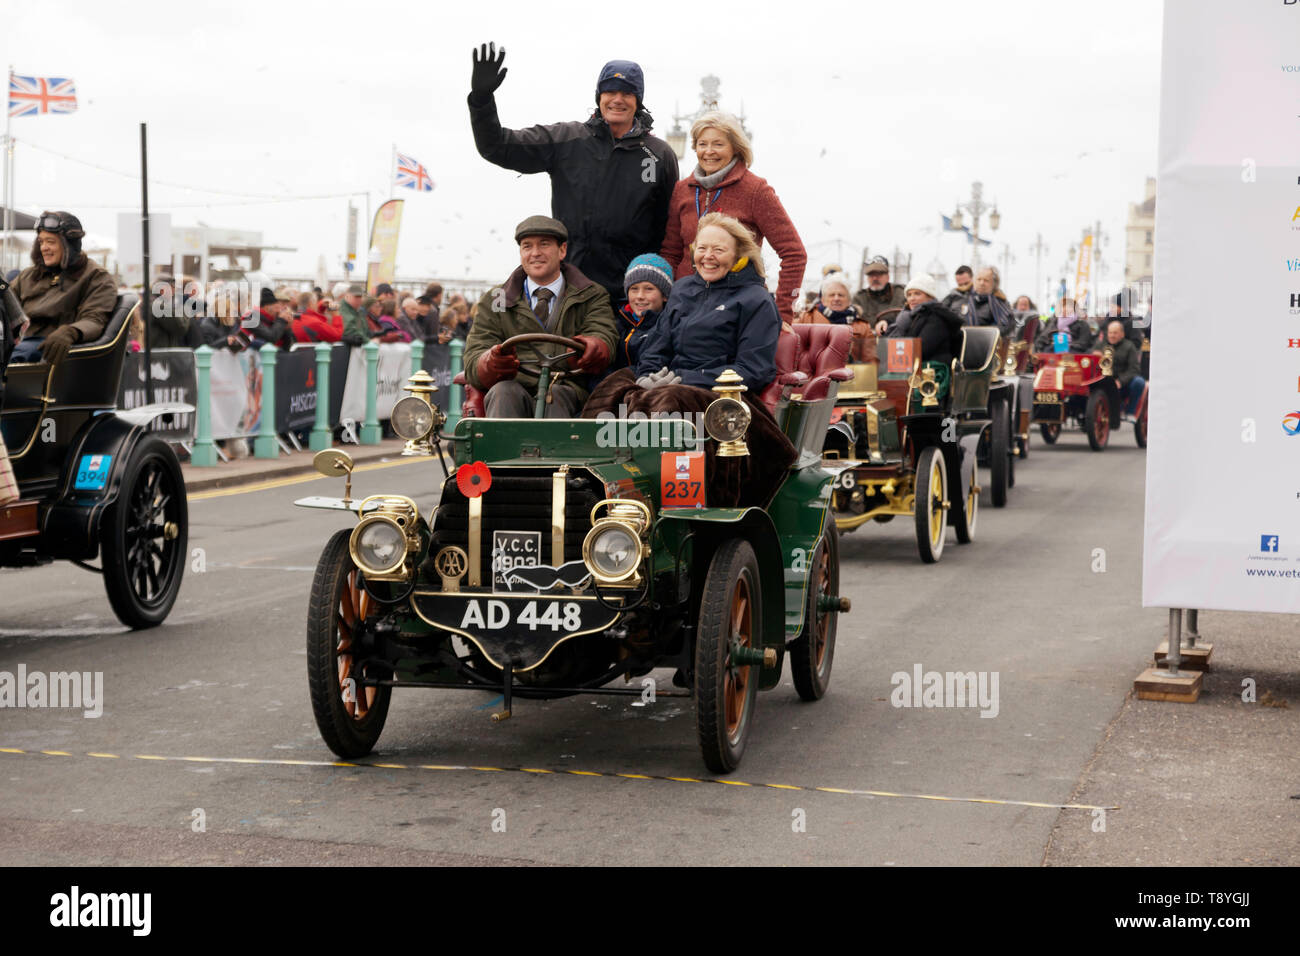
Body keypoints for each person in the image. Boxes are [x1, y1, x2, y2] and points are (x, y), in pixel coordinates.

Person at [467, 44, 679, 306]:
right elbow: (497, 147)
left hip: (630, 295)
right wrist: (481, 101)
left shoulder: (659, 154)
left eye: (627, 93)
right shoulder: (567, 139)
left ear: (638, 100)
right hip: (569, 290)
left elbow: (669, 229)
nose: (617, 99)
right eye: (610, 91)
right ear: (598, 96)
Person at [464, 215, 617, 417]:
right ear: (520, 253)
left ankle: (559, 450)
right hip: (511, 386)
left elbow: (603, 333)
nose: (535, 253)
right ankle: (500, 448)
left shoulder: (590, 295)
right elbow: (475, 355)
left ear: (562, 250)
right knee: (504, 392)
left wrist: (593, 347)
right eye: (527, 246)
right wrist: (490, 363)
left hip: (567, 387)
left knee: (556, 396)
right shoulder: (496, 299)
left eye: (544, 245)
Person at [659, 112, 806, 322]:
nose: (709, 151)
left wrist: (783, 314)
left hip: (735, 310)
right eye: (702, 144)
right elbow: (670, 254)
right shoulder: (682, 190)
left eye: (718, 144)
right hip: (685, 307)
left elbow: (794, 254)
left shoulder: (756, 190)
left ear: (735, 147)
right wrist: (667, 301)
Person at [635, 212, 779, 393]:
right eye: (702, 248)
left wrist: (683, 381)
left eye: (718, 250)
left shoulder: (757, 300)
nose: (708, 256)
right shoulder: (681, 289)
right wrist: (647, 376)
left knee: (664, 404)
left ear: (738, 255)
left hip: (721, 395)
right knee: (612, 388)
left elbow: (754, 369)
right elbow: (656, 347)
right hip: (668, 384)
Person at [8, 211, 117, 364]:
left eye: (51, 242)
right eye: (41, 242)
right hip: (19, 341)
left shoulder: (96, 276)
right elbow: (6, 308)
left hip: (51, 347)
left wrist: (70, 332)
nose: (44, 247)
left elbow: (94, 319)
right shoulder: (28, 276)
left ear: (70, 245)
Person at [874, 273, 964, 367]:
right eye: (909, 295)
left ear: (930, 296)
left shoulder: (937, 318)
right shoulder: (909, 316)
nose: (912, 298)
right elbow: (899, 328)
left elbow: (920, 350)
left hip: (932, 369)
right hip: (909, 365)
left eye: (917, 294)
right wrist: (885, 323)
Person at [611, 253, 673, 373]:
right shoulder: (619, 324)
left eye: (648, 289)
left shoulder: (667, 327)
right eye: (634, 289)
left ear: (664, 296)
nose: (640, 296)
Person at [1097, 318, 1144, 413]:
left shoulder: (1129, 346)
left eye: (1115, 333)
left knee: (1139, 382)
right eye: (1110, 333)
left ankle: (1130, 411)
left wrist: (1120, 381)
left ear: (1122, 334)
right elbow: (1089, 355)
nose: (1112, 336)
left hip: (1122, 383)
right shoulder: (1100, 345)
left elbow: (1134, 369)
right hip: (1102, 380)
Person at [949, 265, 1012, 331]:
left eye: (986, 280)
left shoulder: (999, 302)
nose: (981, 283)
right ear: (974, 280)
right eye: (979, 279)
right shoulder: (955, 296)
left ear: (994, 284)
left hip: (984, 339)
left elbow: (1005, 325)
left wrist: (982, 333)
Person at [852, 256, 907, 327]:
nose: (875, 278)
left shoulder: (902, 293)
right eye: (871, 274)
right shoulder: (859, 298)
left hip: (896, 336)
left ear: (888, 277)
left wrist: (888, 322)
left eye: (879, 274)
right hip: (868, 337)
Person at [794, 271, 861, 325]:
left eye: (841, 295)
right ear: (823, 300)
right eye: (832, 295)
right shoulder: (806, 319)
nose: (836, 298)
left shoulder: (862, 327)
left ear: (849, 301)